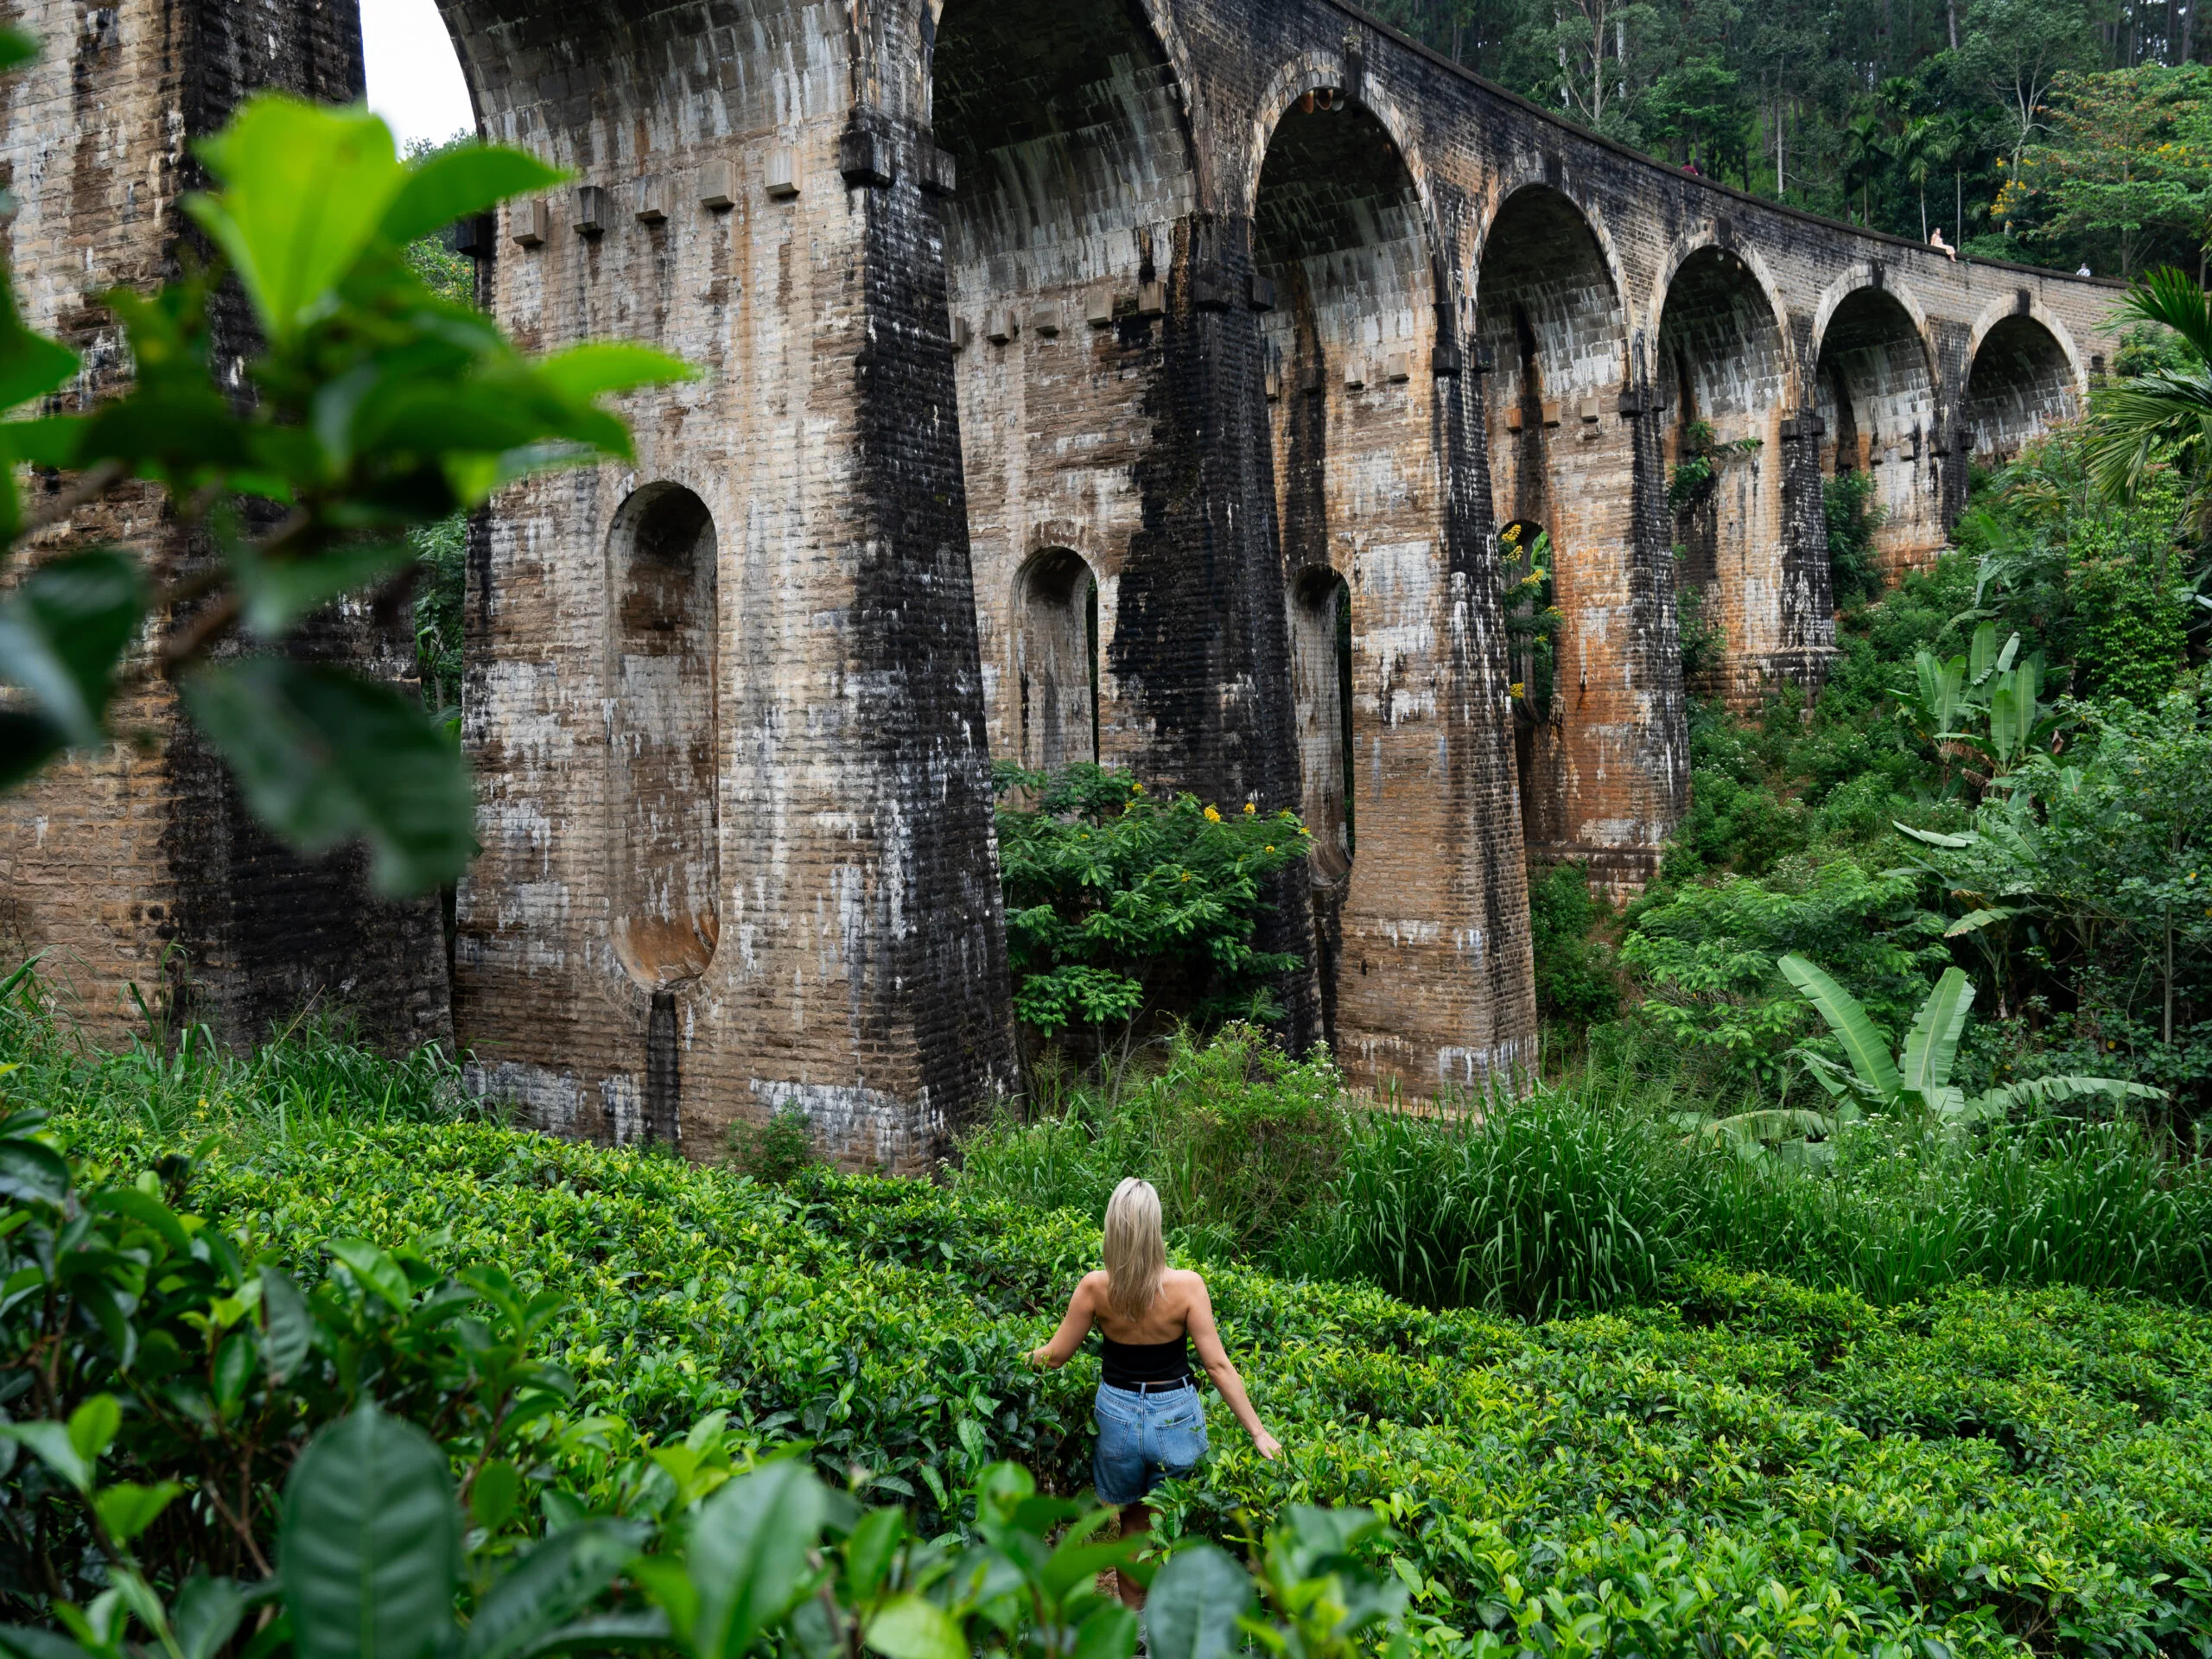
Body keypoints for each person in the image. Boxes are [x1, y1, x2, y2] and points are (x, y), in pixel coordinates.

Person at [1030, 1177, 1281, 1609]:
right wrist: (1258, 1433)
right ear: (1155, 1228)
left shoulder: (1095, 1287)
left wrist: (1006, 1359)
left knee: (1131, 1529)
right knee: (1174, 1526)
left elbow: (1053, 1357)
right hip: (1175, 1416)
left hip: (1118, 1417)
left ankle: (1137, 1631)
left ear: (1113, 1228)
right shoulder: (1188, 1287)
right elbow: (1218, 1366)